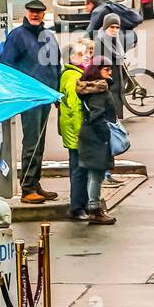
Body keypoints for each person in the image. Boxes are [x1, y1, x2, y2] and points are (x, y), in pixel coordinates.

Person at [0, 0, 60, 204]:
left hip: (46, 96)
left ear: (44, 14)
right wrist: (17, 92)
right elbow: (6, 66)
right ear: (26, 12)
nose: (35, 15)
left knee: (39, 142)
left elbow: (55, 65)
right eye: (32, 11)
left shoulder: (49, 36)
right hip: (30, 98)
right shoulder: (17, 36)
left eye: (39, 12)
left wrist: (56, 92)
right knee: (32, 141)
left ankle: (34, 182)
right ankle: (27, 188)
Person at [75, 60, 118, 225]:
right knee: (96, 173)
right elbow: (97, 116)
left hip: (90, 135)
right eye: (106, 69)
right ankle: (94, 208)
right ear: (97, 71)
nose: (109, 72)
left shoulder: (92, 89)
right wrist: (106, 135)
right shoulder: (98, 92)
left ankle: (94, 206)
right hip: (95, 136)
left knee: (95, 173)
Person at [59, 39, 93, 221]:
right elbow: (75, 108)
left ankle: (81, 205)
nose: (85, 56)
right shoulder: (73, 77)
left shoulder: (72, 73)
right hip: (77, 132)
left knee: (79, 169)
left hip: (73, 131)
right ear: (72, 58)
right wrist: (84, 133)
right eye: (80, 54)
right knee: (80, 170)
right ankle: (78, 207)